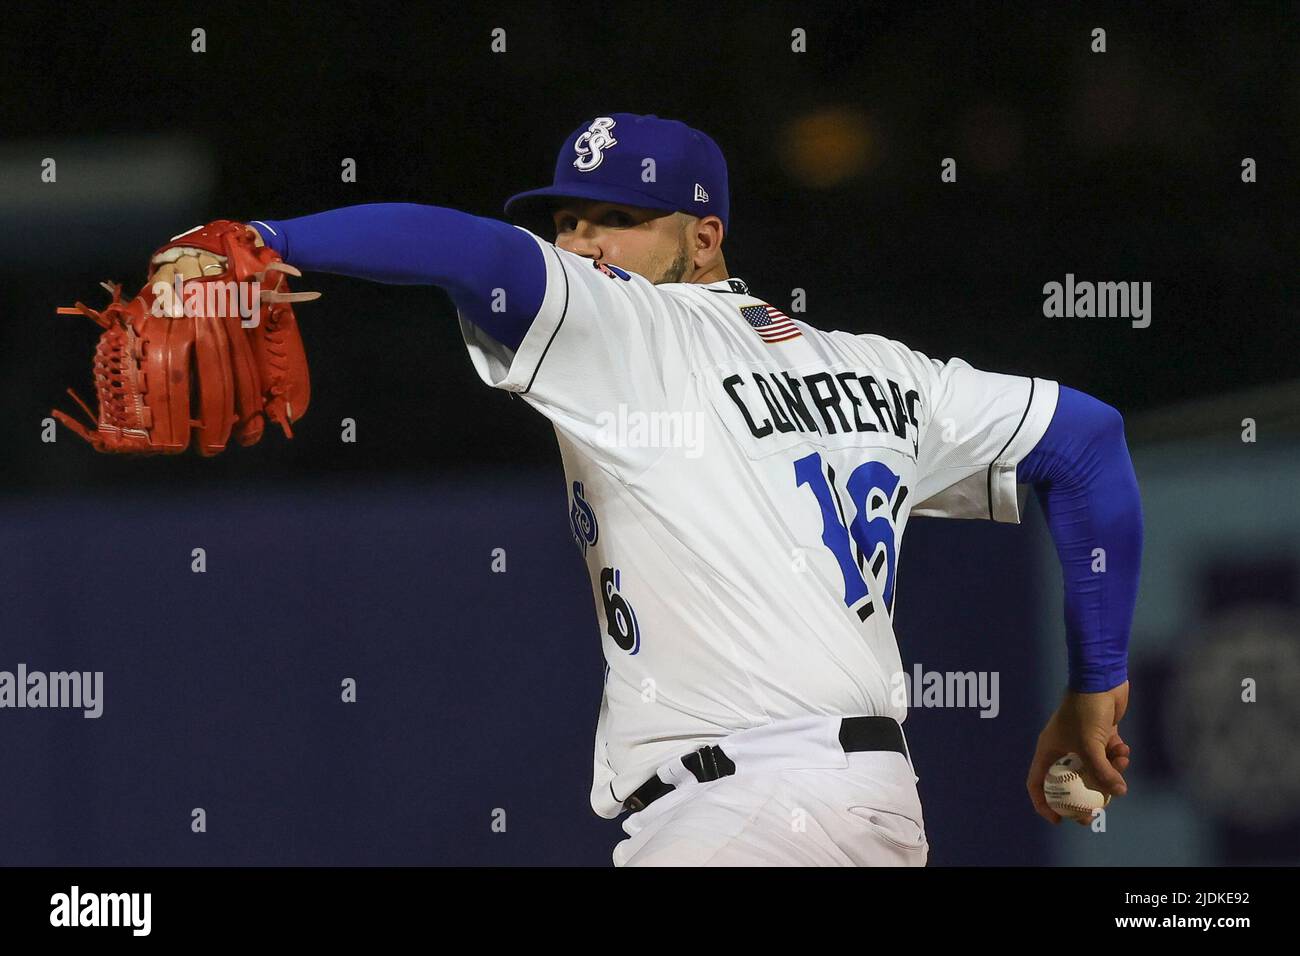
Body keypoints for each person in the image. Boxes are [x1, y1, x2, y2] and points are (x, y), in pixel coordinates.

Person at [159, 112, 1143, 865]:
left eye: (619, 220)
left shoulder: (633, 332)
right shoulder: (884, 371)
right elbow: (1088, 445)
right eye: (569, 220)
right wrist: (1096, 690)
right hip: (871, 804)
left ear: (703, 237)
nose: (583, 244)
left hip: (741, 812)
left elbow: (473, 253)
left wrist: (265, 234)